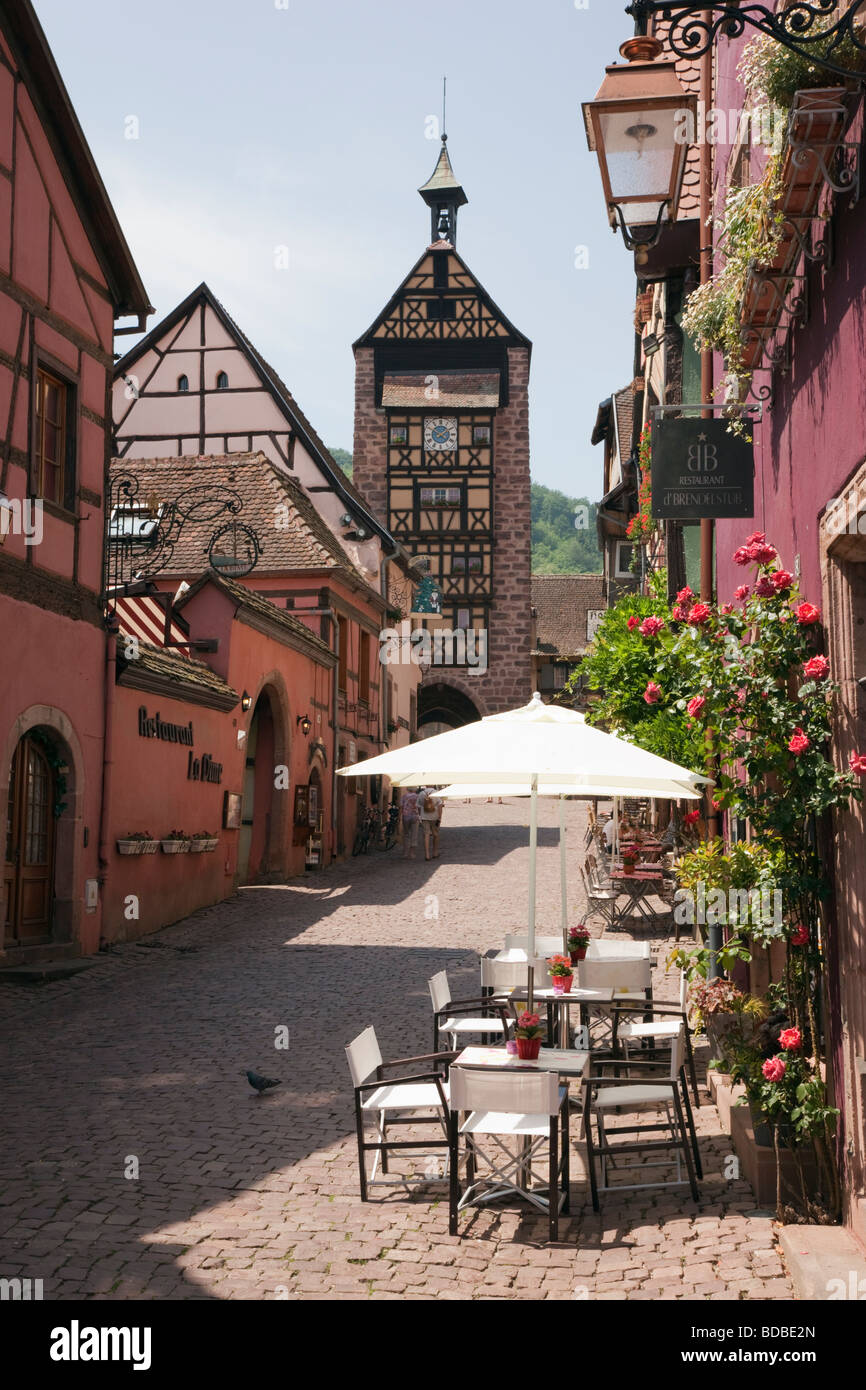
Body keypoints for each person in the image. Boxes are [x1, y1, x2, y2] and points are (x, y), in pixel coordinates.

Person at [418, 786, 440, 861]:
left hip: (424, 816)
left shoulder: (421, 793)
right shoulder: (436, 793)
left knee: (426, 834)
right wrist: (440, 817)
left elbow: (418, 805)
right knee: (435, 834)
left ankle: (427, 854)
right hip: (434, 816)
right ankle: (435, 852)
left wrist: (420, 815)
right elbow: (440, 805)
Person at [401, 788, 419, 859]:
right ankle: (412, 853)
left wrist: (400, 816)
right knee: (414, 835)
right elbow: (419, 807)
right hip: (414, 816)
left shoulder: (404, 796)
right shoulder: (417, 796)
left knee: (406, 834)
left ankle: (405, 853)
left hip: (405, 816)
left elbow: (401, 806)